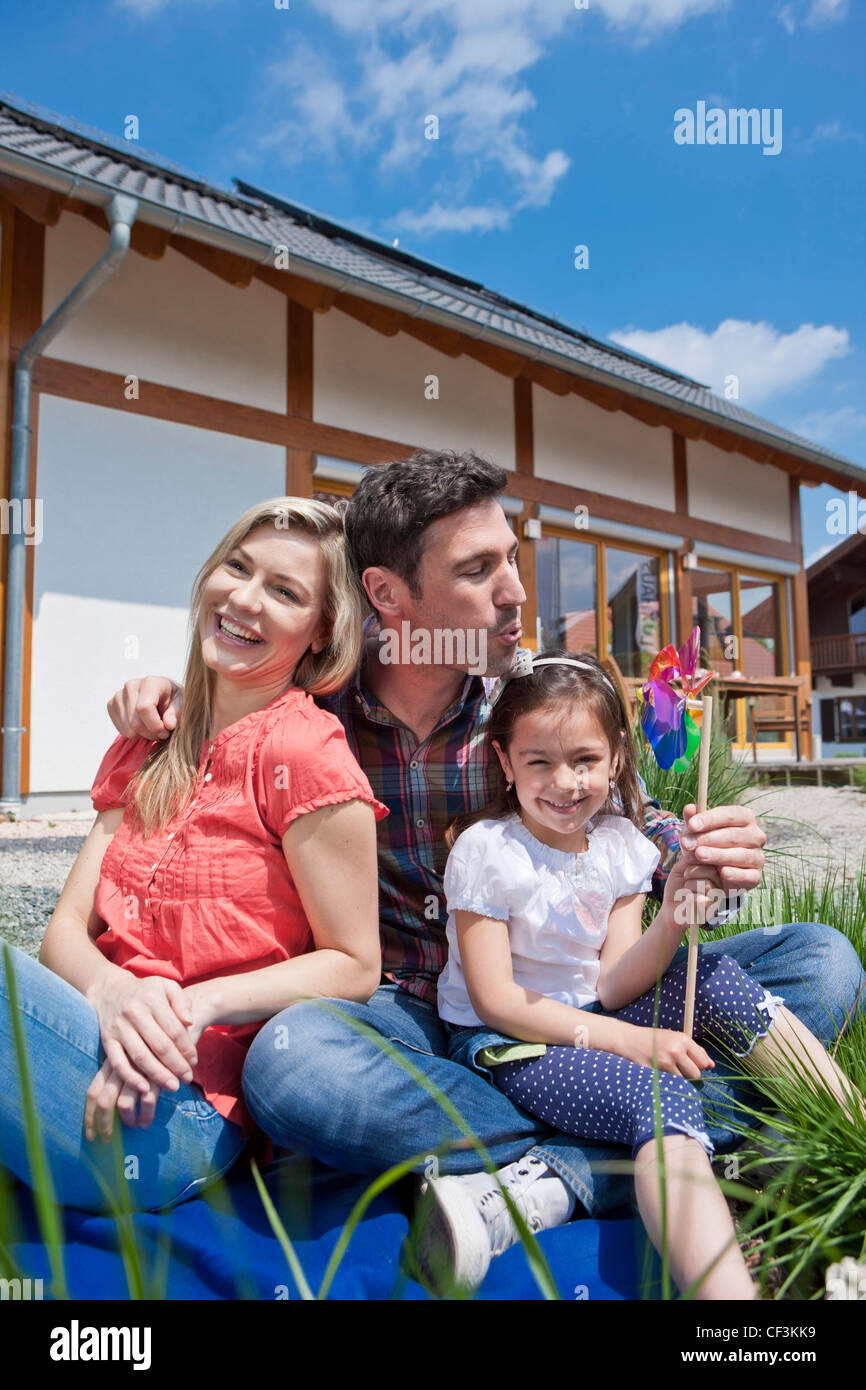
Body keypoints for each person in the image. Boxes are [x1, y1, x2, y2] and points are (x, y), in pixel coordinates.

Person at [105, 450, 866, 1289]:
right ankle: (661, 1143)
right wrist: (160, 697)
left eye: (512, 558)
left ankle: (566, 1170)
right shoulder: (310, 709)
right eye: (478, 569)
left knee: (822, 961)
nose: (516, 591)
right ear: (388, 596)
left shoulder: (535, 697)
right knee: (292, 1062)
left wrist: (702, 855)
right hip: (414, 1013)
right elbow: (218, 708)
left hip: (576, 989)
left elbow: (622, 830)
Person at [436, 649, 863, 1298]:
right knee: (661, 1096)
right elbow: (497, 1001)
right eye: (539, 762)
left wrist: (677, 916)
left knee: (712, 975)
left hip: (596, 1012)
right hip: (514, 1038)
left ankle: (851, 1138)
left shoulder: (618, 845)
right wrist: (633, 1044)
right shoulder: (486, 851)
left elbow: (613, 981)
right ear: (503, 761)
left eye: (584, 761)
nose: (564, 783)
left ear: (615, 757)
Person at [0, 497, 387, 1212]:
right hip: (91, 1043)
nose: (244, 598)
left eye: (284, 591)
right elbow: (64, 933)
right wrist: (116, 994)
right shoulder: (151, 740)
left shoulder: (303, 750)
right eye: (237, 567)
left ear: (320, 630)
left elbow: (356, 963)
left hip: (179, 1111)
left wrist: (185, 1008)